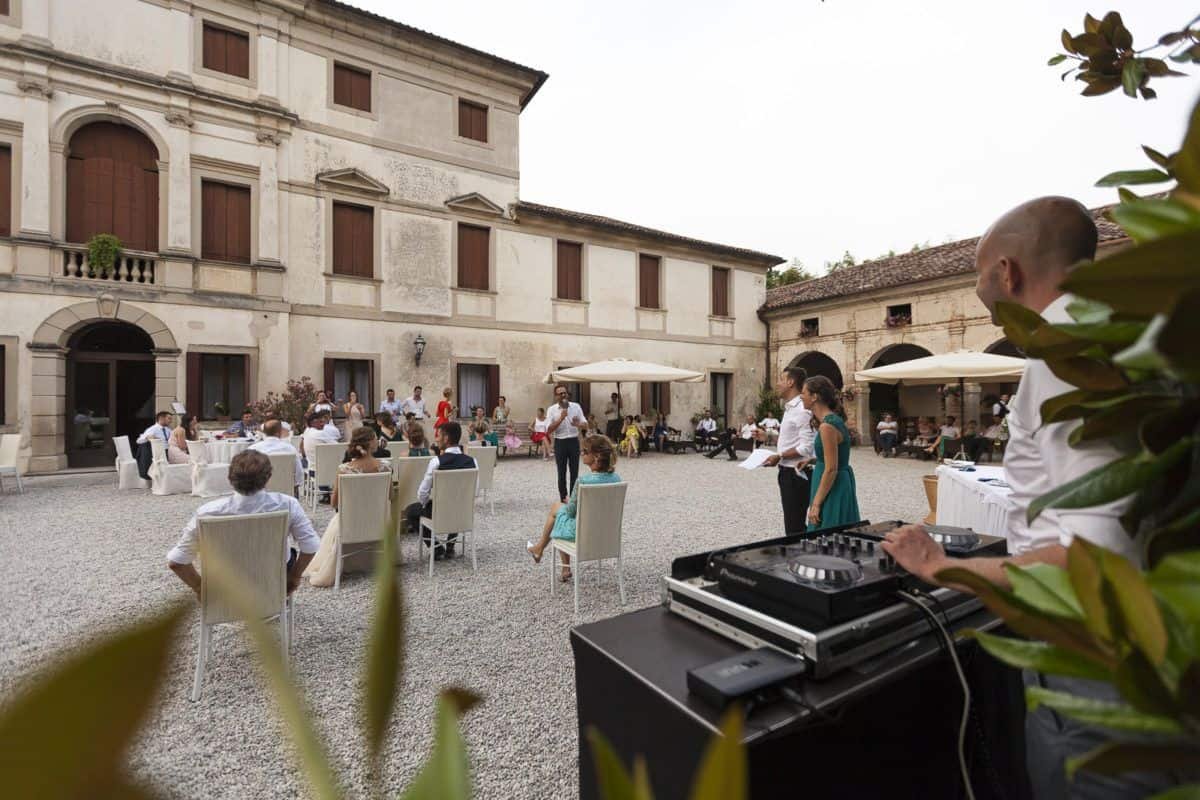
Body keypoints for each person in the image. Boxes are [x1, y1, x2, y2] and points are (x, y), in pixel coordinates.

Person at [880, 196, 1184, 800]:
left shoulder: (1065, 356)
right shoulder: (1138, 340)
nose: (977, 290)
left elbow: (1094, 560)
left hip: (1096, 661)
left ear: (1006, 273)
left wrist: (941, 566)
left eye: (976, 275)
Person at [166, 450, 318, 597]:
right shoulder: (288, 504)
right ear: (268, 478)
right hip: (275, 578)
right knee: (289, 552)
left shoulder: (207, 512)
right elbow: (310, 545)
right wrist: (294, 577)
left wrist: (201, 588)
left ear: (230, 478)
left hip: (226, 583)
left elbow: (177, 562)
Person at [526, 434, 621, 581]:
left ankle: (547, 554)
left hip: (584, 535)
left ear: (596, 456)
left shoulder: (583, 481)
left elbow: (570, 513)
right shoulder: (616, 479)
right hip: (607, 535)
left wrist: (571, 501)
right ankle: (542, 551)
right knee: (559, 509)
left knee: (558, 512)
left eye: (585, 451)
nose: (581, 453)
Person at [304, 427, 391, 587]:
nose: (377, 441)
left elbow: (334, 503)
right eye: (375, 438)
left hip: (350, 523)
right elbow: (390, 496)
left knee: (336, 522)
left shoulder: (344, 469)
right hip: (378, 521)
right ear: (370, 443)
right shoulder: (385, 467)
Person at [404, 422, 477, 559]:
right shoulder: (472, 461)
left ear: (446, 438)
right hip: (463, 512)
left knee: (411, 511)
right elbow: (475, 491)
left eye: (438, 435)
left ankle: (436, 548)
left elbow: (422, 493)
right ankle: (450, 546)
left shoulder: (436, 462)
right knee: (457, 502)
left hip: (440, 511)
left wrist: (426, 504)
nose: (436, 439)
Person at [761, 360, 814, 534]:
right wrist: (768, 436)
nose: (777, 383)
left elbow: (806, 447)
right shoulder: (791, 408)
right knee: (793, 524)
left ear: (791, 382)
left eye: (781, 379)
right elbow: (792, 439)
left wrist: (780, 456)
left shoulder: (801, 409)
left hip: (797, 474)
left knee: (794, 527)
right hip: (787, 472)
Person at [802, 376, 860, 531]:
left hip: (832, 484)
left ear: (814, 397)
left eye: (804, 393)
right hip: (835, 479)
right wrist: (814, 460)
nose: (801, 396)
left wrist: (816, 504)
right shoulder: (833, 420)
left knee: (827, 530)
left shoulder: (827, 426)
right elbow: (836, 456)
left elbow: (831, 469)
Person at [547, 382, 589, 502]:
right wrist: (561, 418)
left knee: (574, 471)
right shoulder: (551, 410)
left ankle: (573, 497)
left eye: (565, 393)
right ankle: (563, 498)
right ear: (556, 396)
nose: (563, 395)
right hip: (560, 442)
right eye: (560, 394)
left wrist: (578, 424)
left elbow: (586, 425)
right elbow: (549, 429)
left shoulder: (576, 407)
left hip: (573, 441)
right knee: (561, 472)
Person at [250, 418, 304, 494]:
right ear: (280, 432)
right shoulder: (290, 449)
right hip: (286, 492)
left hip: (261, 491)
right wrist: (295, 485)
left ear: (264, 432)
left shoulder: (253, 449)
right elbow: (299, 472)